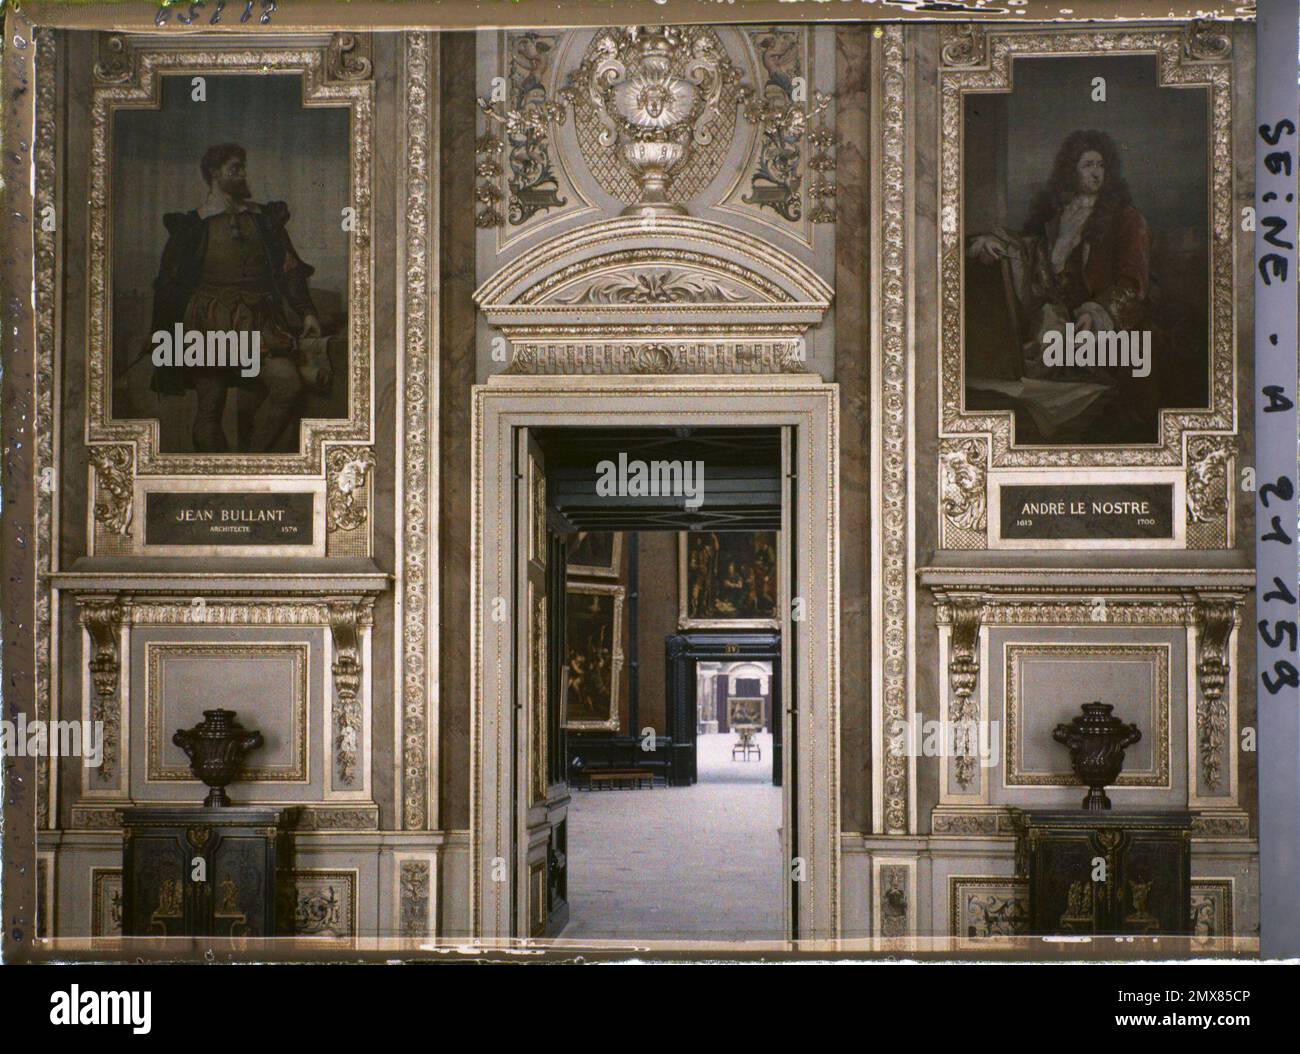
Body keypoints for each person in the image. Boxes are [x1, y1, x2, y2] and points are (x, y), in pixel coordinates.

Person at [967, 129, 1156, 441]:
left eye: (1101, 165)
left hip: (1101, 323)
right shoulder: (1060, 216)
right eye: (1088, 165)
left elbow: (1133, 282)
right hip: (1057, 321)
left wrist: (1097, 312)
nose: (1096, 173)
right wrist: (992, 241)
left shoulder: (1126, 218)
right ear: (1072, 170)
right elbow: (1032, 250)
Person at [149, 143, 321, 452]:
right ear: (214, 173)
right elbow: (169, 283)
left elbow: (289, 268)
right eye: (234, 168)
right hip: (208, 319)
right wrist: (162, 335)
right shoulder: (192, 225)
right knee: (210, 408)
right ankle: (217, 475)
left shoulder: (264, 219)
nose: (242, 174)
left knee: (287, 387)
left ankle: (250, 462)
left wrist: (307, 312)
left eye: (242, 167)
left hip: (259, 319)